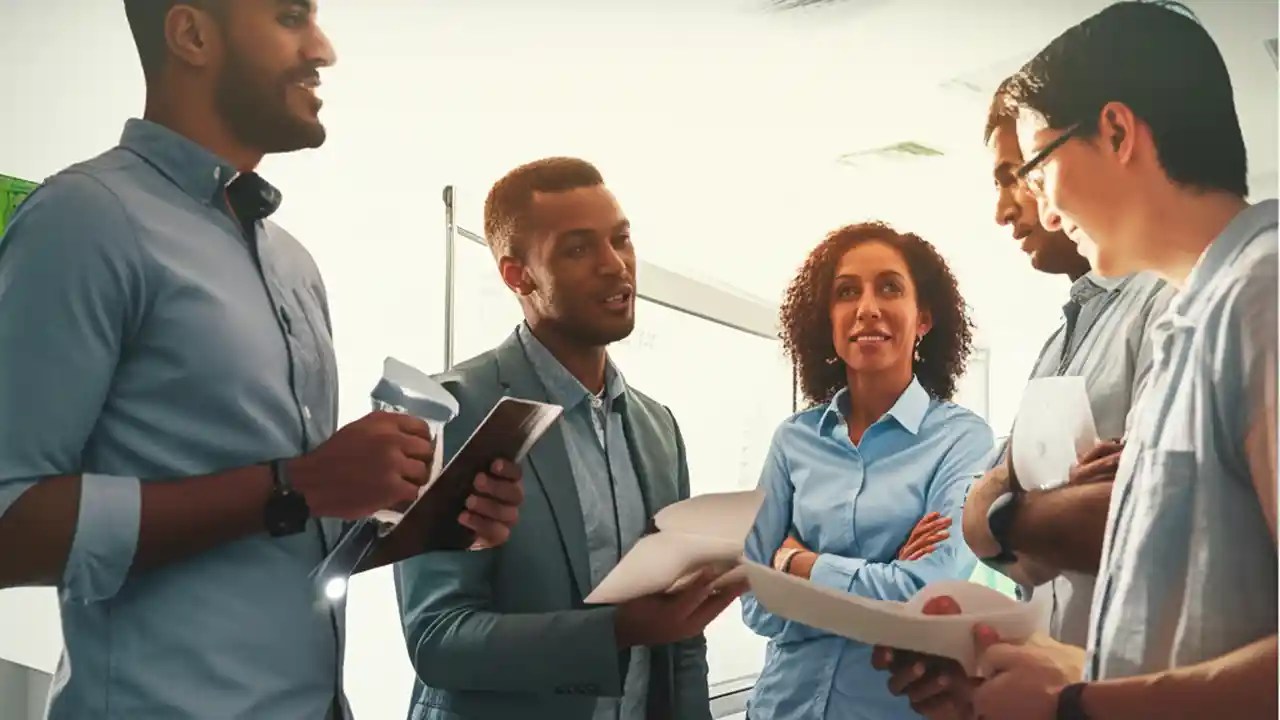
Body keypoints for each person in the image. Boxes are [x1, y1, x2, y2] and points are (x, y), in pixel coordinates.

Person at [0, 2, 524, 718]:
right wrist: (298, 484)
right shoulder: (84, 219)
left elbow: (285, 523)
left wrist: (418, 515)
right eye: (288, 17)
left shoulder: (292, 262)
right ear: (192, 35)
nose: (324, 49)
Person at [959, 3, 1276, 718]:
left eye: (1036, 166)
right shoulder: (1192, 326)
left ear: (1116, 131)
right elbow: (1191, 639)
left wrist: (1077, 704)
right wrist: (1038, 676)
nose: (1038, 208)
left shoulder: (1264, 294)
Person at [870, 76, 1176, 718]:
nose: (1008, 209)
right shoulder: (1058, 342)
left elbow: (1153, 522)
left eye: (1022, 175)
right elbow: (1002, 539)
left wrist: (1005, 511)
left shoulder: (1173, 302)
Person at [394, 157, 741, 720]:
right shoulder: (456, 411)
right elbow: (439, 638)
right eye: (578, 249)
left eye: (621, 240)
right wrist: (617, 631)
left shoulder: (659, 429)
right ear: (517, 275)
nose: (614, 265)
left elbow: (681, 643)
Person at [739, 221, 996, 720]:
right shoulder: (793, 440)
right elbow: (753, 602)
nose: (867, 307)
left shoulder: (963, 439)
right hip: (779, 708)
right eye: (846, 292)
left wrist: (799, 566)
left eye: (889, 287)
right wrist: (880, 591)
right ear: (827, 319)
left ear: (922, 318)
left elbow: (926, 594)